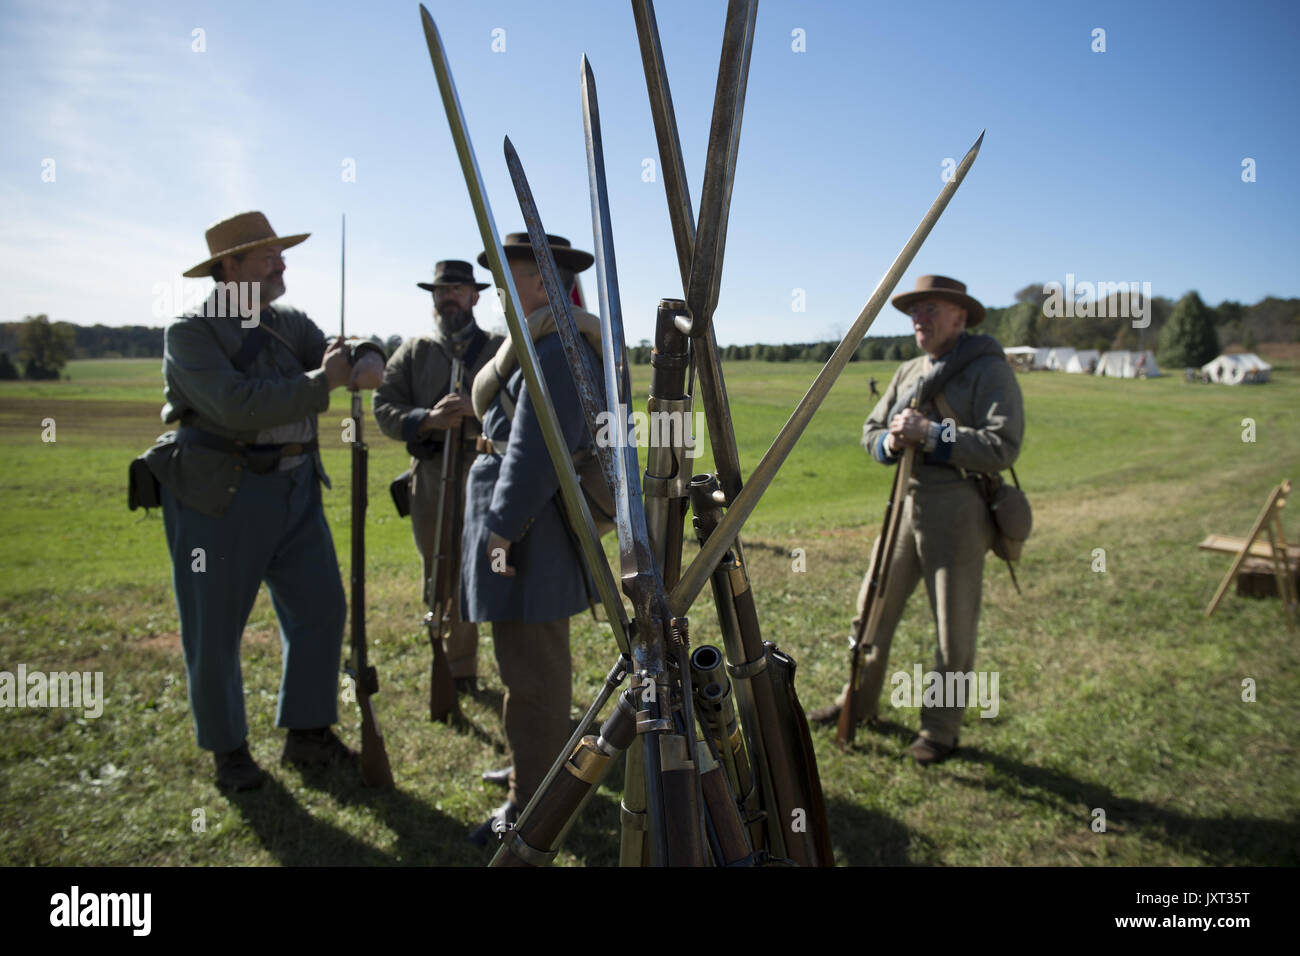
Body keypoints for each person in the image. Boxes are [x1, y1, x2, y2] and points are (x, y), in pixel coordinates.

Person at [150, 211, 385, 791]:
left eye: (280, 253)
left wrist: (368, 352)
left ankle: (307, 733)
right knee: (215, 628)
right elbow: (235, 405)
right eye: (266, 255)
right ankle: (228, 750)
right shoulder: (192, 332)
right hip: (222, 494)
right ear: (229, 268)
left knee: (321, 608)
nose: (281, 263)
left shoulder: (286, 323)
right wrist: (322, 384)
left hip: (297, 488)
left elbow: (337, 348)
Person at [812, 275, 1024, 766]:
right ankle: (858, 704)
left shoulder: (988, 369)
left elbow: (1002, 445)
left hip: (959, 508)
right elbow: (872, 430)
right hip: (904, 503)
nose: (918, 319)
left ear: (960, 316)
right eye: (914, 311)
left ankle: (940, 730)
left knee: (953, 628)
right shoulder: (908, 370)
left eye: (930, 309)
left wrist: (933, 433)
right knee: (871, 612)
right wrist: (888, 443)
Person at [460, 233, 602, 843]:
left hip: (528, 530)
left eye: (506, 277)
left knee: (534, 677)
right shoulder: (535, 340)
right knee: (524, 666)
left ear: (543, 282)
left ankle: (532, 808)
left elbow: (536, 450)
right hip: (523, 526)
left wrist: (500, 531)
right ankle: (532, 769)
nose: (495, 290)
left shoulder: (556, 343)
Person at [372, 260, 503, 717]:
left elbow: (528, 405)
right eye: (441, 291)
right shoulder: (412, 352)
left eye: (458, 289)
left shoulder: (500, 349)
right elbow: (384, 406)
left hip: (487, 471)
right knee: (439, 566)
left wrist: (477, 407)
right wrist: (425, 420)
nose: (448, 298)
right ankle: (452, 663)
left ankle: (483, 664)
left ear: (474, 296)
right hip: (430, 475)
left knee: (484, 567)